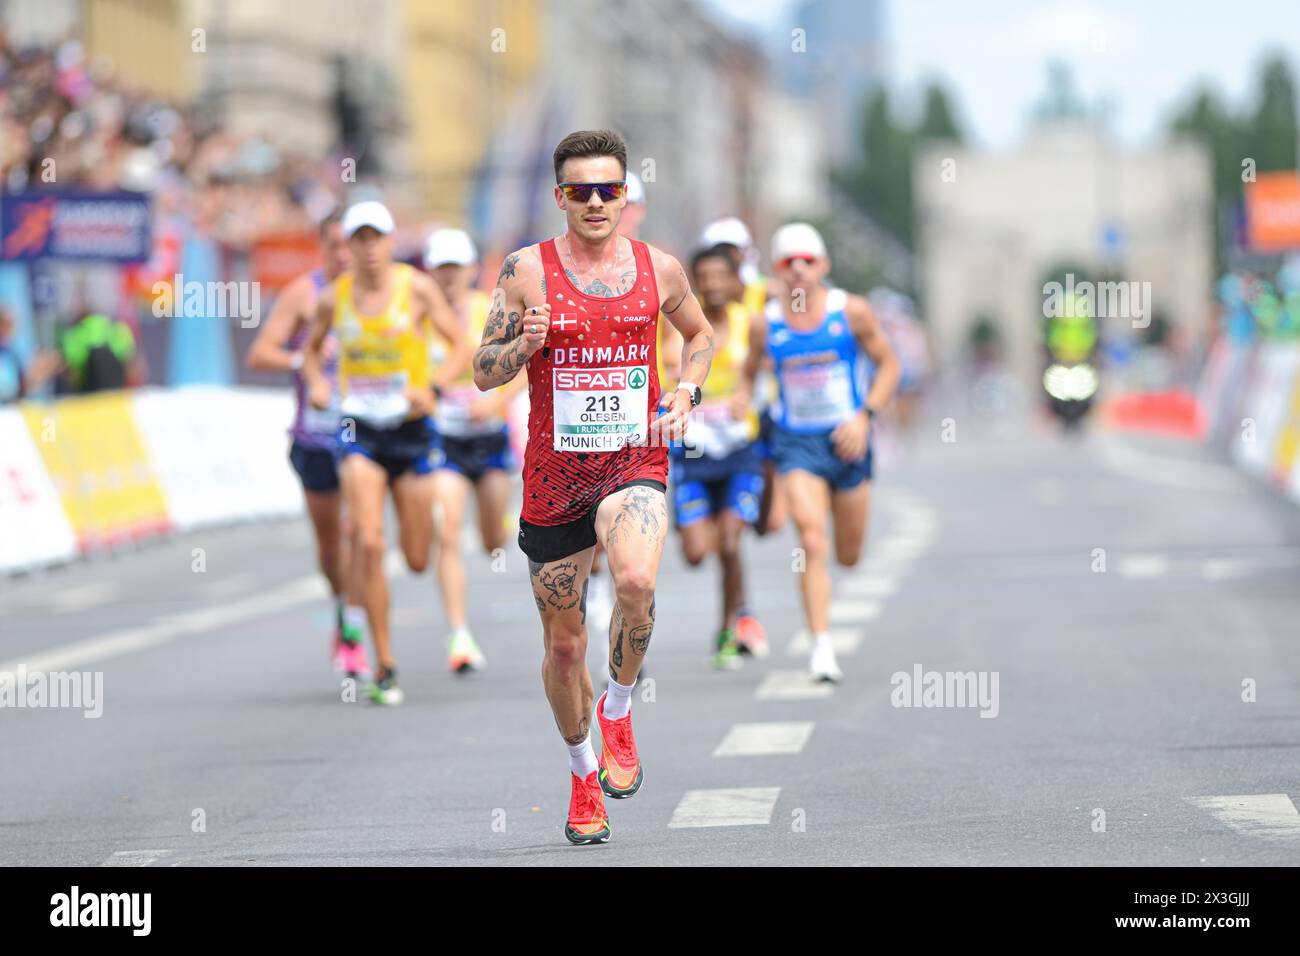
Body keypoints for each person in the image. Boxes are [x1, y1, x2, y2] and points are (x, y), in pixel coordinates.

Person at [474, 130, 712, 844]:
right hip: (553, 475)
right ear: (561, 198)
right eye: (583, 191)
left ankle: (618, 708)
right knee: (565, 646)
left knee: (636, 580)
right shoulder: (526, 271)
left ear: (626, 193)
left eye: (611, 189)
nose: (599, 202)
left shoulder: (659, 269)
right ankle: (583, 773)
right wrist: (525, 344)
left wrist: (685, 393)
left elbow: (700, 338)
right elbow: (483, 370)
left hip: (631, 459)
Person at [304, 200, 470, 706]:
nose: (370, 248)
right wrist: (315, 382)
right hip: (360, 429)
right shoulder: (334, 299)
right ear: (348, 246)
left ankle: (389, 641)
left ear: (391, 242)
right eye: (360, 239)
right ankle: (385, 663)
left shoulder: (415, 288)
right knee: (370, 542)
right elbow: (310, 352)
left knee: (418, 556)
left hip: (412, 429)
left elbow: (461, 344)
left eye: (378, 238)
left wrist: (435, 387)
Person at [742, 223, 899, 683]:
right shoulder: (764, 323)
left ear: (823, 266)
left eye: (807, 261)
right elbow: (750, 374)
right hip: (796, 443)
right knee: (811, 540)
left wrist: (865, 415)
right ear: (777, 270)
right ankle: (822, 646)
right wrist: (742, 404)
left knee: (848, 555)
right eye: (789, 263)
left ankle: (825, 627)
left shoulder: (851, 312)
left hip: (848, 440)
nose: (799, 271)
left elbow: (889, 364)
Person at [247, 209, 368, 678]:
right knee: (331, 541)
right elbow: (260, 353)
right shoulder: (305, 292)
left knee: (362, 529)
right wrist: (305, 356)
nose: (343, 254)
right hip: (316, 435)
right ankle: (343, 605)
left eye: (349, 243)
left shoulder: (387, 292)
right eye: (333, 245)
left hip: (365, 434)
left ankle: (356, 627)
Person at [424, 227, 524, 673]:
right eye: (440, 269)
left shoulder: (492, 310)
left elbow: (527, 366)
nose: (448, 277)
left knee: (490, 542)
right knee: (445, 530)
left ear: (470, 270)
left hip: (488, 440)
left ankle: (495, 524)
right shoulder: (417, 313)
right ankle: (459, 635)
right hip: (441, 441)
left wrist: (495, 401)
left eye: (455, 268)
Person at [662, 244, 767, 667]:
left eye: (720, 276)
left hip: (740, 450)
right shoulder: (682, 327)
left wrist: (745, 394)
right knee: (695, 553)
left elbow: (761, 373)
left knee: (729, 539)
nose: (712, 285)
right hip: (695, 451)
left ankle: (729, 627)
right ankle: (690, 522)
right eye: (703, 277)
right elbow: (671, 365)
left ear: (735, 279)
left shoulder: (752, 325)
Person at [0, 305, 61, 404]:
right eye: (8, 325)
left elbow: (20, 389)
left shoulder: (10, 352)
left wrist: (40, 373)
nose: (11, 330)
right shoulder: (7, 353)